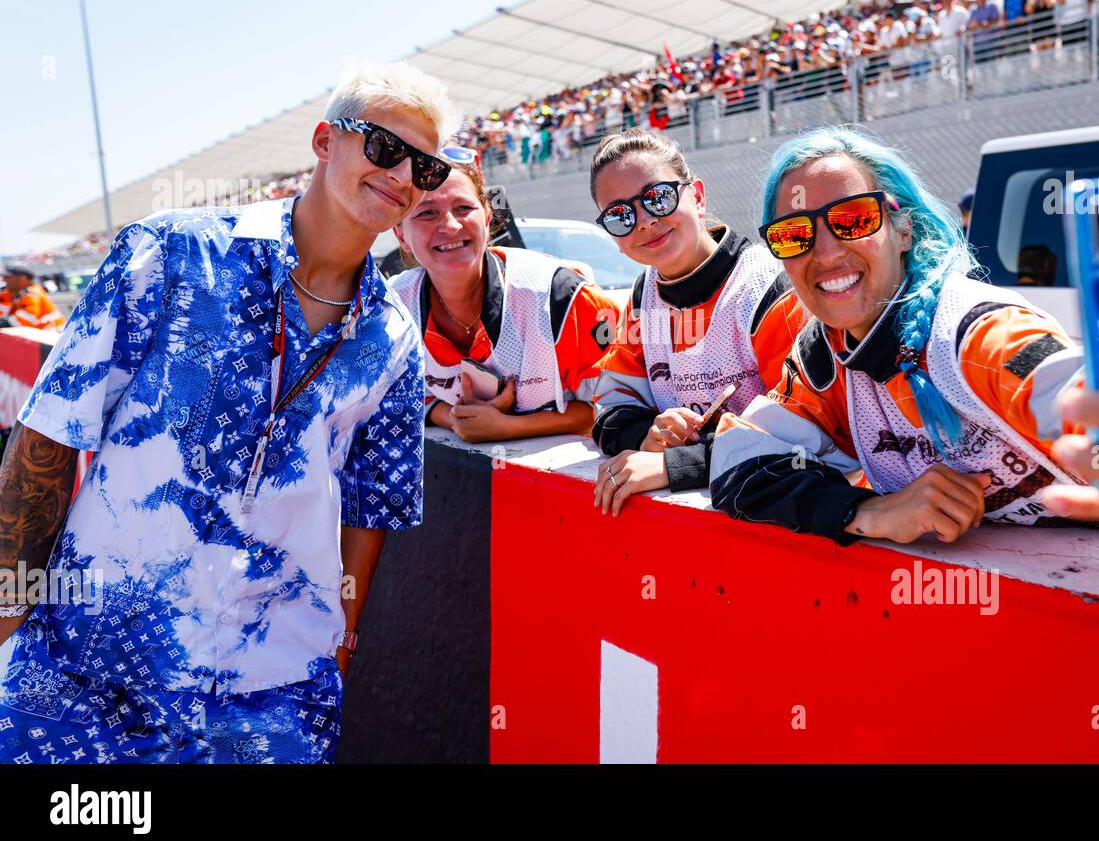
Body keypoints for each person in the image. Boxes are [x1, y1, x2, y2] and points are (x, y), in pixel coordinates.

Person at [0, 60, 450, 763]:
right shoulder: (168, 252)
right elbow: (48, 440)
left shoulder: (394, 339)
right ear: (325, 140)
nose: (401, 176)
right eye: (386, 146)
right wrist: (5, 614)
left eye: (424, 167)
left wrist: (339, 650)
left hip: (274, 697)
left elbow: (370, 511)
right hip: (88, 672)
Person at [709, 126, 1099, 568]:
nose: (827, 252)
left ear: (903, 227)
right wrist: (863, 511)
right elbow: (740, 465)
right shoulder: (826, 357)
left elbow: (1091, 410)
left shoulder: (973, 334)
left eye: (853, 220)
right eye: (793, 234)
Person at [589, 129, 804, 516]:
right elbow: (609, 410)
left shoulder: (768, 286)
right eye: (619, 215)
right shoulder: (643, 298)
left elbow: (804, 435)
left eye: (657, 198)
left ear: (698, 196)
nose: (643, 222)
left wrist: (677, 465)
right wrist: (650, 434)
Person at [388, 156, 619, 442]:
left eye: (463, 208)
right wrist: (456, 418)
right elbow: (396, 398)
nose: (449, 225)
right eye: (426, 213)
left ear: (486, 217)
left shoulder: (562, 297)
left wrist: (508, 427)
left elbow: (619, 408)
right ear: (400, 234)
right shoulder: (392, 309)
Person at [0, 264, 65, 330]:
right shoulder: (17, 293)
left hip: (52, 335)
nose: (3, 280)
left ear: (23, 278)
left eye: (7, 277)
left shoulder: (32, 294)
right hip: (42, 334)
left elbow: (22, 321)